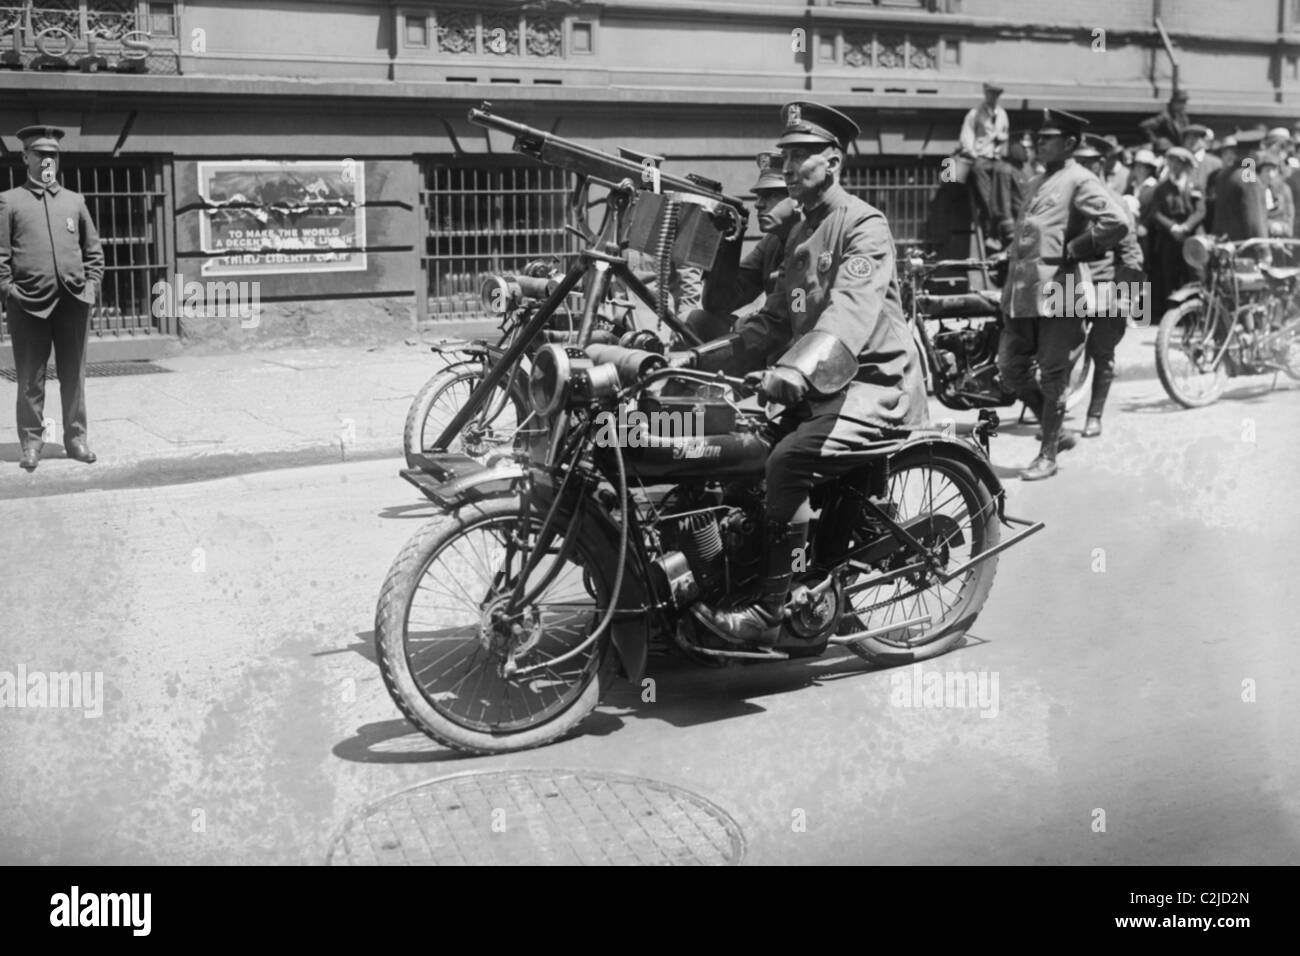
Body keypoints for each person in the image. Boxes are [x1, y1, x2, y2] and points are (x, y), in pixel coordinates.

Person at [683, 101, 928, 644]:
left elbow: (850, 311)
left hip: (872, 385)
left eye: (800, 156)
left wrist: (793, 371)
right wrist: (694, 362)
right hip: (818, 388)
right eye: (784, 156)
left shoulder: (862, 223)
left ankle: (768, 613)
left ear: (833, 161)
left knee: (787, 462)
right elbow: (769, 321)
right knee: (733, 450)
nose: (787, 167)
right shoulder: (797, 232)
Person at [997, 109, 1128, 481]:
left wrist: (1078, 248)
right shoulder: (1039, 180)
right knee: (1011, 368)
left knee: (1054, 375)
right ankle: (1056, 429)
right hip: (1023, 293)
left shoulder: (1080, 179)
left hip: (1062, 291)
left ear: (1069, 143)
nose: (1039, 143)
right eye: (1038, 138)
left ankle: (1048, 454)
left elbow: (1116, 222)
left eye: (1047, 138)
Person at [0, 125, 104, 472]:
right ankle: (31, 442)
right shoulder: (9, 201)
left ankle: (76, 439)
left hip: (73, 303)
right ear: (25, 157)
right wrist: (10, 291)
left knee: (74, 374)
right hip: (27, 304)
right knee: (30, 377)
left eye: (53, 155)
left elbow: (94, 251)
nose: (47, 161)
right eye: (40, 154)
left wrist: (91, 285)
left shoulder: (75, 201)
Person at [685, 151, 798, 342]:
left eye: (769, 196)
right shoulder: (772, 243)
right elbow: (718, 304)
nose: (758, 205)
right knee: (698, 320)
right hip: (769, 336)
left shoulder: (811, 242)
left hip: (797, 346)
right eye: (759, 196)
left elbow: (798, 317)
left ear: (797, 198)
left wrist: (748, 323)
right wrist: (730, 238)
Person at [1074, 143, 1145, 439]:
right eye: (1078, 163)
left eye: (1088, 164)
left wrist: (1126, 295)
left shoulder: (1116, 202)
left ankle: (1094, 415)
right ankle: (1051, 412)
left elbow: (1131, 253)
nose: (1081, 170)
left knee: (1102, 352)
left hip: (1107, 289)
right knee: (1061, 353)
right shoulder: (1069, 202)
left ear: (1100, 166)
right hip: (1072, 286)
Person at [1144, 147, 1205, 319]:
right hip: (1169, 238)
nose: (1173, 166)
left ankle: (1195, 315)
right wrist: (1172, 228)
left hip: (1192, 237)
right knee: (1169, 275)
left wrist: (1185, 227)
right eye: (1171, 162)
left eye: (1177, 163)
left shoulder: (1194, 184)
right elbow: (1155, 213)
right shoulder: (1162, 188)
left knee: (1194, 275)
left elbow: (1200, 211)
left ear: (1185, 165)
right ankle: (1173, 316)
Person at [958, 81, 1015, 247]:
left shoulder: (1002, 114)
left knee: (1002, 194)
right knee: (988, 197)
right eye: (991, 93)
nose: (993, 97)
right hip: (981, 159)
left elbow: (1006, 135)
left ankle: (1004, 230)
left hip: (996, 159)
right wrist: (974, 154)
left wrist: (1001, 144)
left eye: (996, 94)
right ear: (985, 93)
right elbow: (967, 136)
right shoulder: (975, 113)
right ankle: (992, 234)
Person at [1213, 129, 1271, 243]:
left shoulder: (1224, 174)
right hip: (1245, 250)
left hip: (1223, 245)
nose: (1264, 155)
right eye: (1261, 150)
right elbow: (1255, 220)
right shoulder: (1249, 178)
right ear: (1252, 153)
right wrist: (1263, 250)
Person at [1139, 89, 1190, 153]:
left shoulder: (1184, 118)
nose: (1182, 106)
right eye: (1180, 103)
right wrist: (1156, 142)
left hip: (1180, 149)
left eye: (1184, 103)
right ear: (1173, 103)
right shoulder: (1165, 116)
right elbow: (1144, 125)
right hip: (1167, 150)